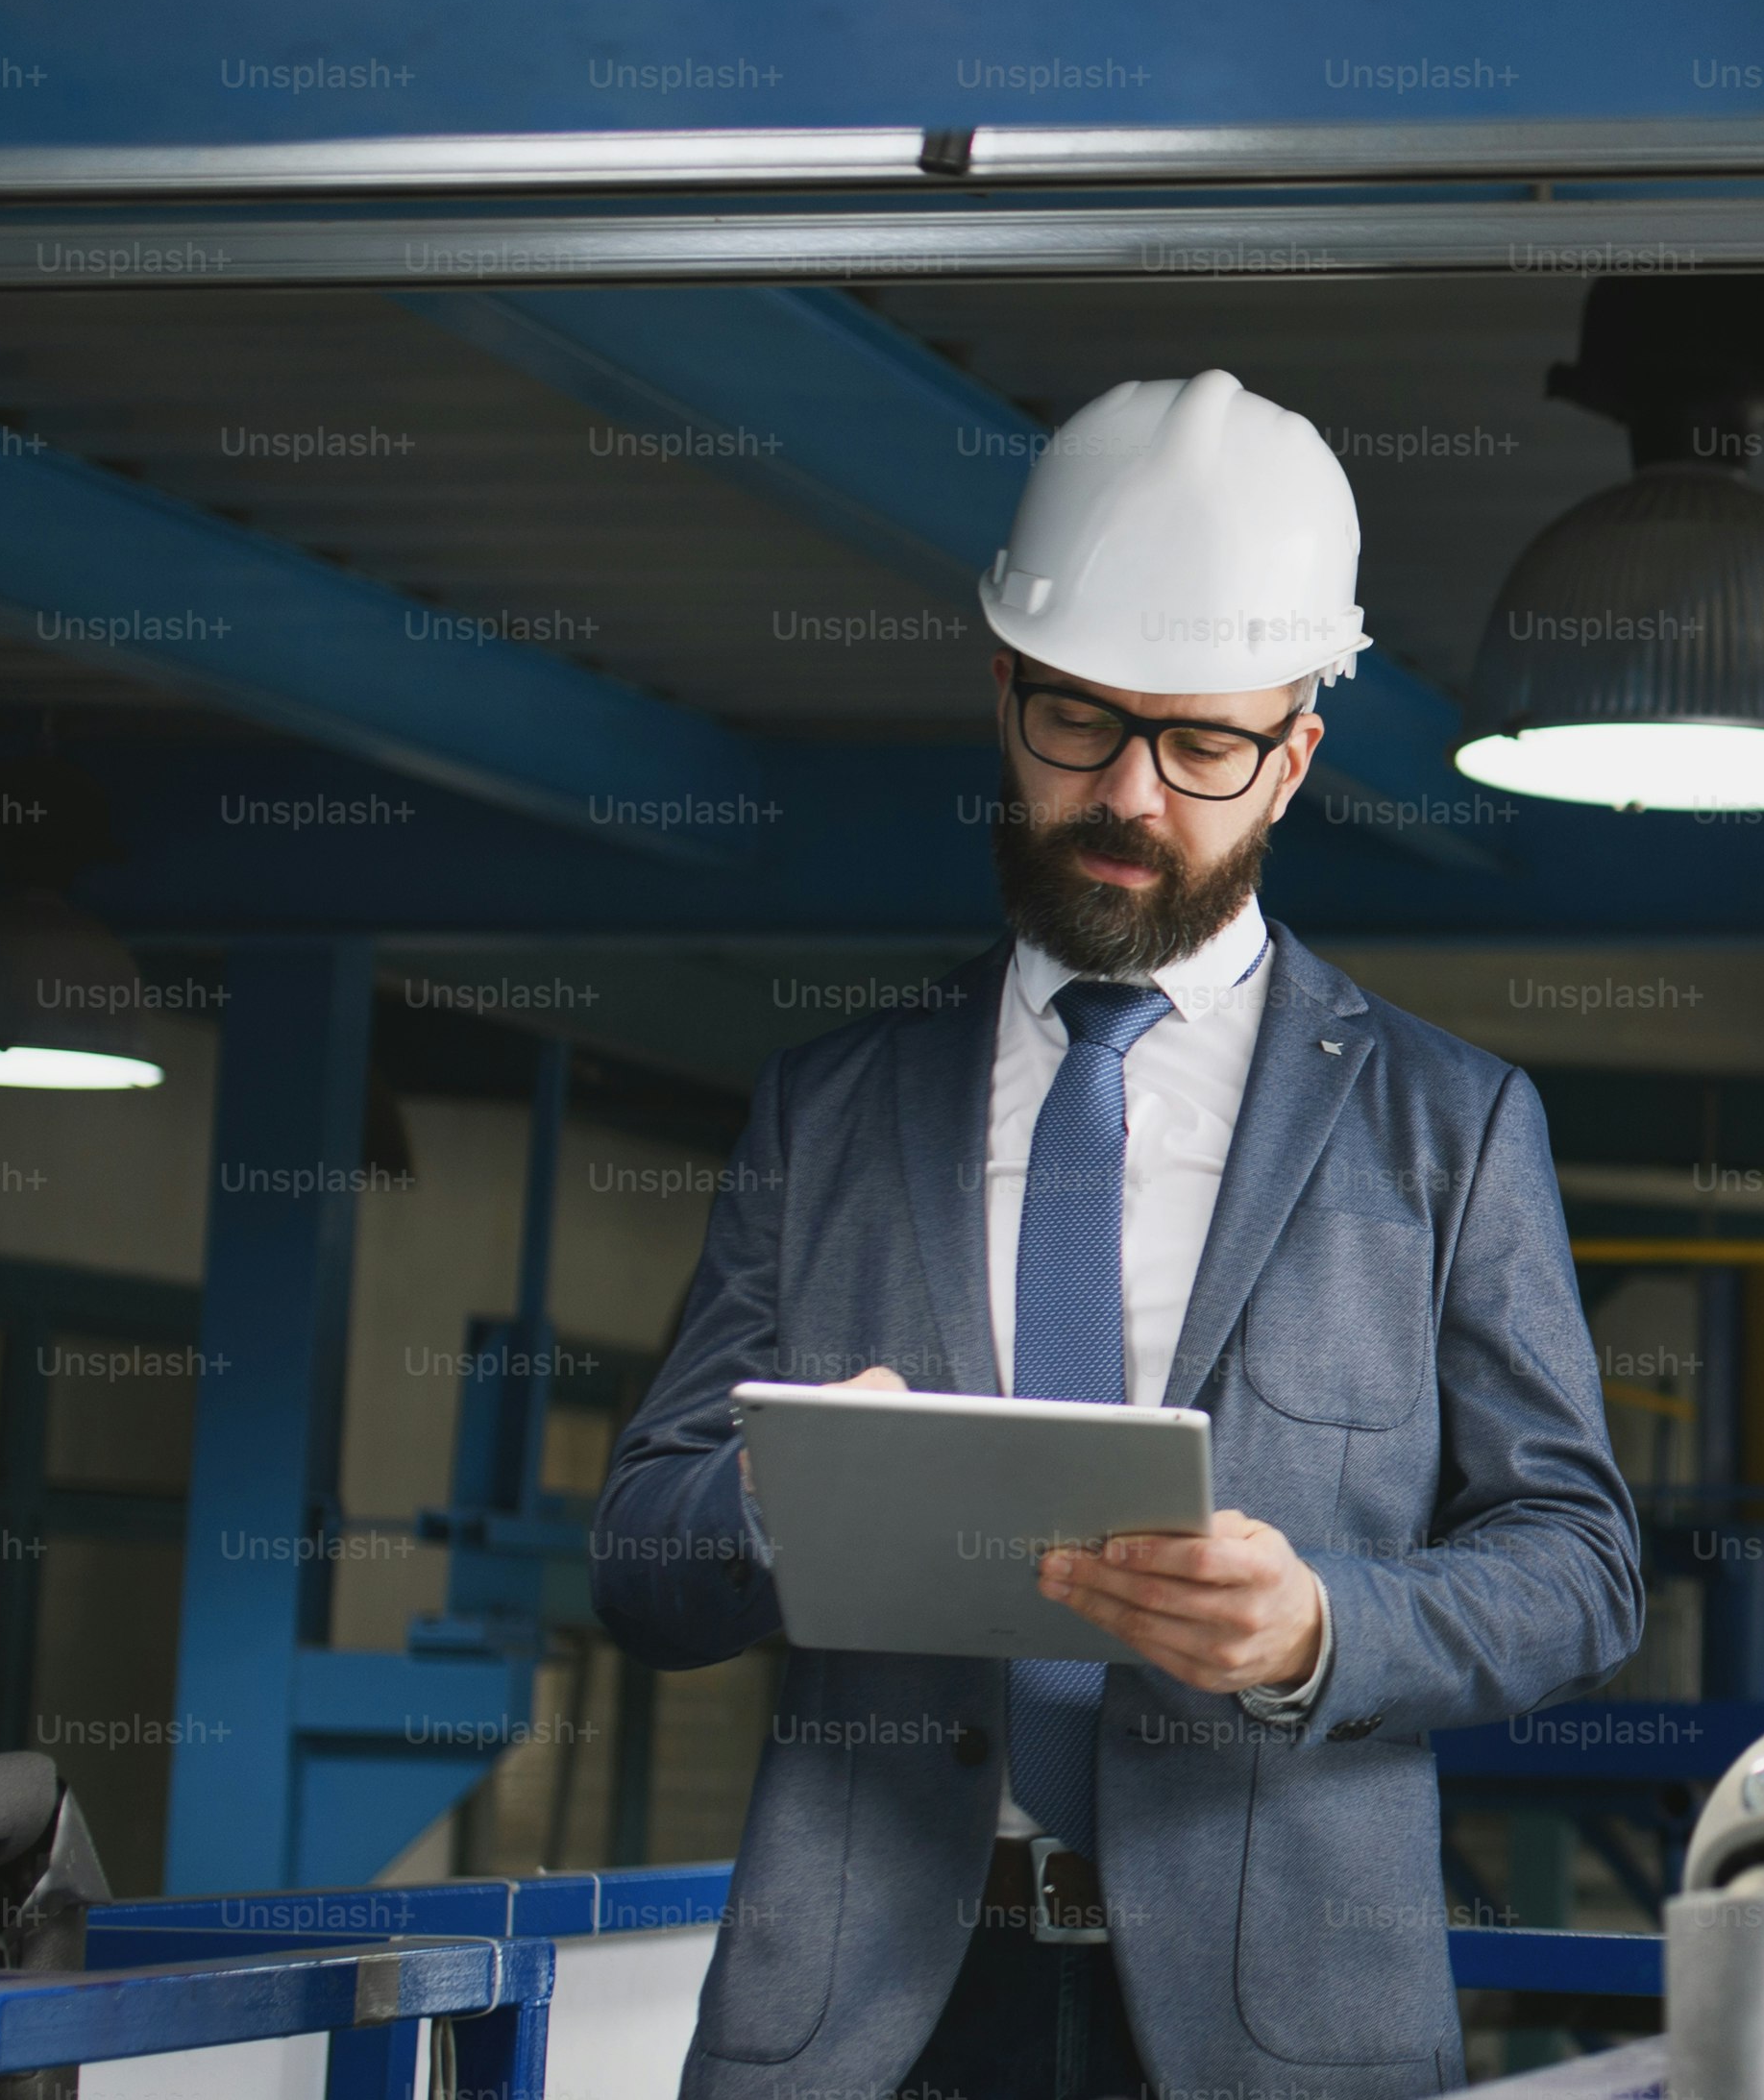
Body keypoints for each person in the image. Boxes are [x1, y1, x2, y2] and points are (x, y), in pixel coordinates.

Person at [593, 370, 1644, 2100]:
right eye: (1080, 723)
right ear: (1004, 695)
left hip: (1274, 2027)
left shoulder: (1449, 1127)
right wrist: (778, 1497)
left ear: (1294, 755)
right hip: (874, 2032)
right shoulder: (830, 1109)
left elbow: (1580, 1562)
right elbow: (640, 1555)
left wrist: (1323, 1630)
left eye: (1204, 743)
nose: (1133, 798)